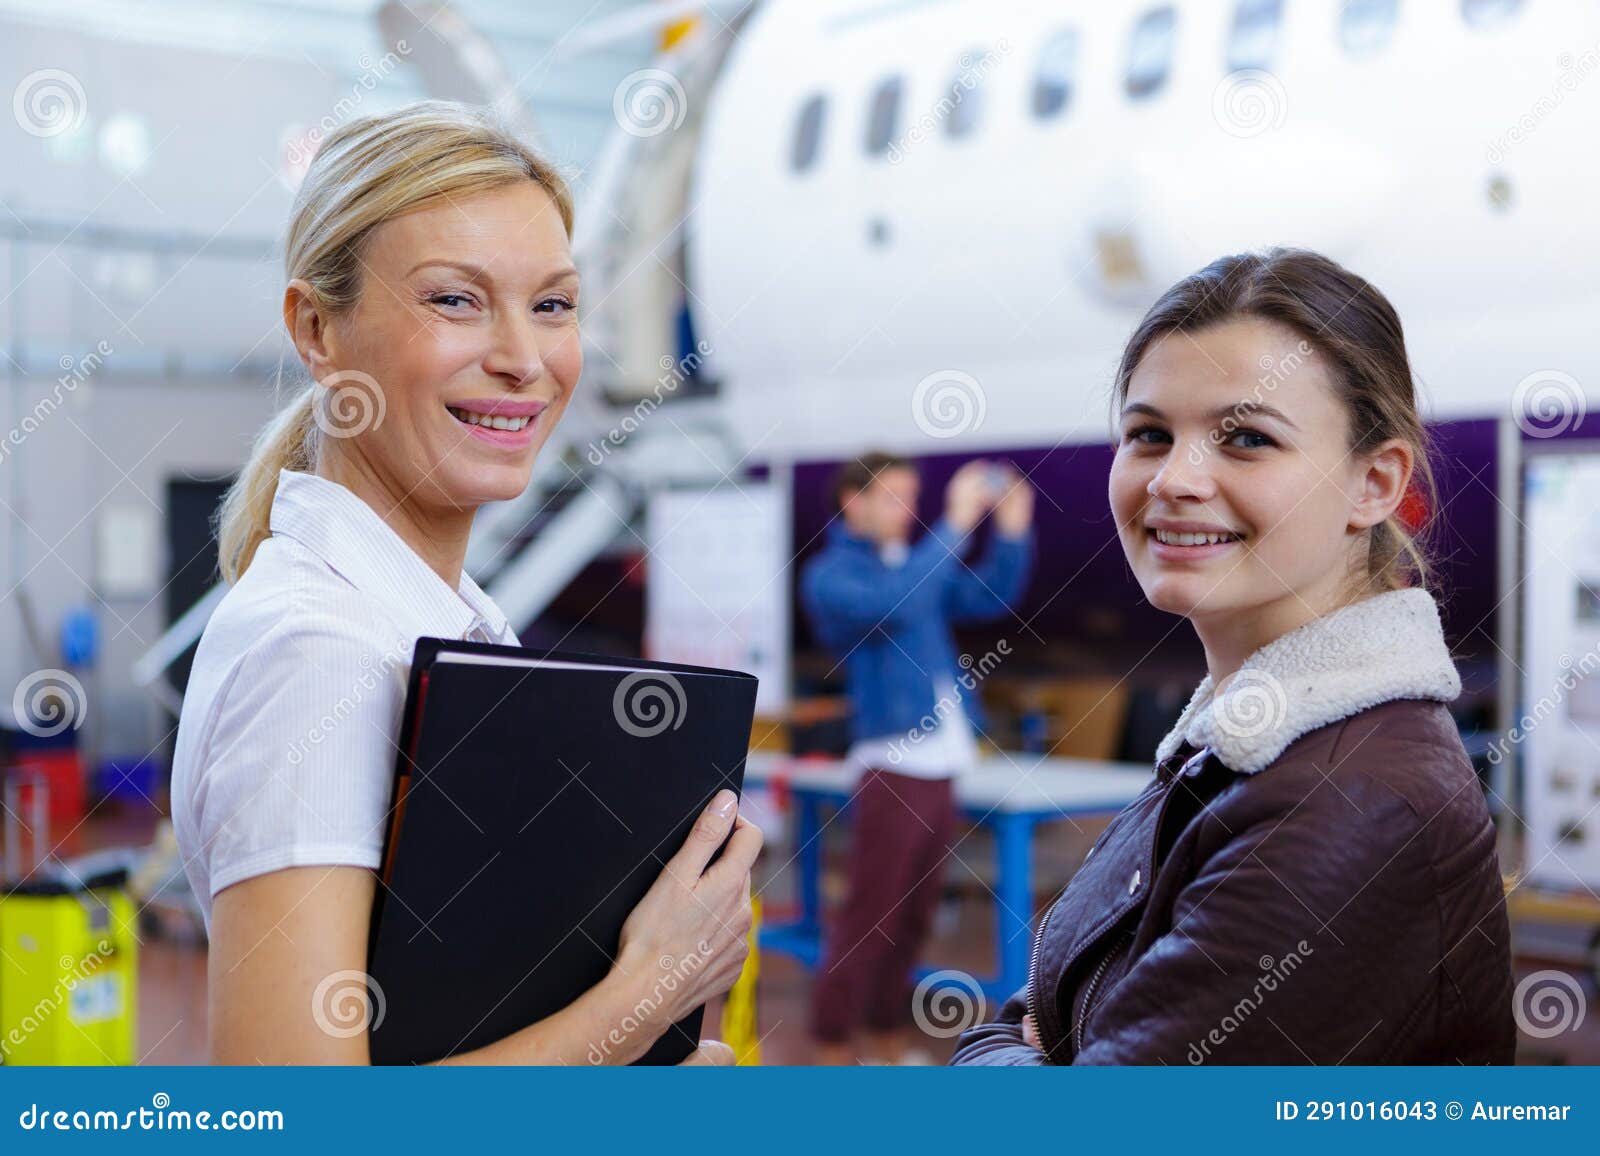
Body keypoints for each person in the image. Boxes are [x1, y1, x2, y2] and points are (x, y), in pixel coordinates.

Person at [170, 101, 759, 1066]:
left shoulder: (433, 627)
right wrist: (647, 998)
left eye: (554, 304)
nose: (524, 360)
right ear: (317, 330)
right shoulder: (319, 656)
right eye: (455, 300)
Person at [953, 248, 1514, 1065]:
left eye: (1246, 437)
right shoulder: (1245, 746)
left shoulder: (1352, 803)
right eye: (1148, 434)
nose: (1175, 479)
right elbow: (1048, 1008)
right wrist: (1028, 1044)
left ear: (1376, 482)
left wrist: (1002, 1049)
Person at [802, 451, 1034, 1063]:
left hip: (941, 765)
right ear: (852, 501)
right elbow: (894, 607)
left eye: (912, 495)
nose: (906, 510)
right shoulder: (832, 576)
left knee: (914, 916)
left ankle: (883, 1034)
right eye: (890, 496)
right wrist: (955, 525)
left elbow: (988, 599)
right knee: (869, 914)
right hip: (893, 766)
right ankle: (829, 1040)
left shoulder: (911, 563)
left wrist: (1009, 533)